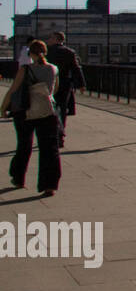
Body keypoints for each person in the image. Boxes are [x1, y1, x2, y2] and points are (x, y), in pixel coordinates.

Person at [2, 39, 61, 195]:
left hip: (24, 111)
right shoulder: (53, 69)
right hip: (47, 112)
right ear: (45, 52)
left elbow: (13, 90)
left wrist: (3, 108)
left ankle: (19, 178)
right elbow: (54, 91)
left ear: (31, 54)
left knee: (24, 145)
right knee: (49, 149)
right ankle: (49, 185)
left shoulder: (25, 69)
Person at [45, 32, 85, 148]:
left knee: (49, 108)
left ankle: (52, 133)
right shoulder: (69, 52)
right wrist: (81, 84)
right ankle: (60, 134)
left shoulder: (47, 52)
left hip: (49, 84)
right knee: (62, 108)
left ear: (56, 39)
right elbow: (76, 68)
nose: (48, 39)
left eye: (50, 37)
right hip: (65, 84)